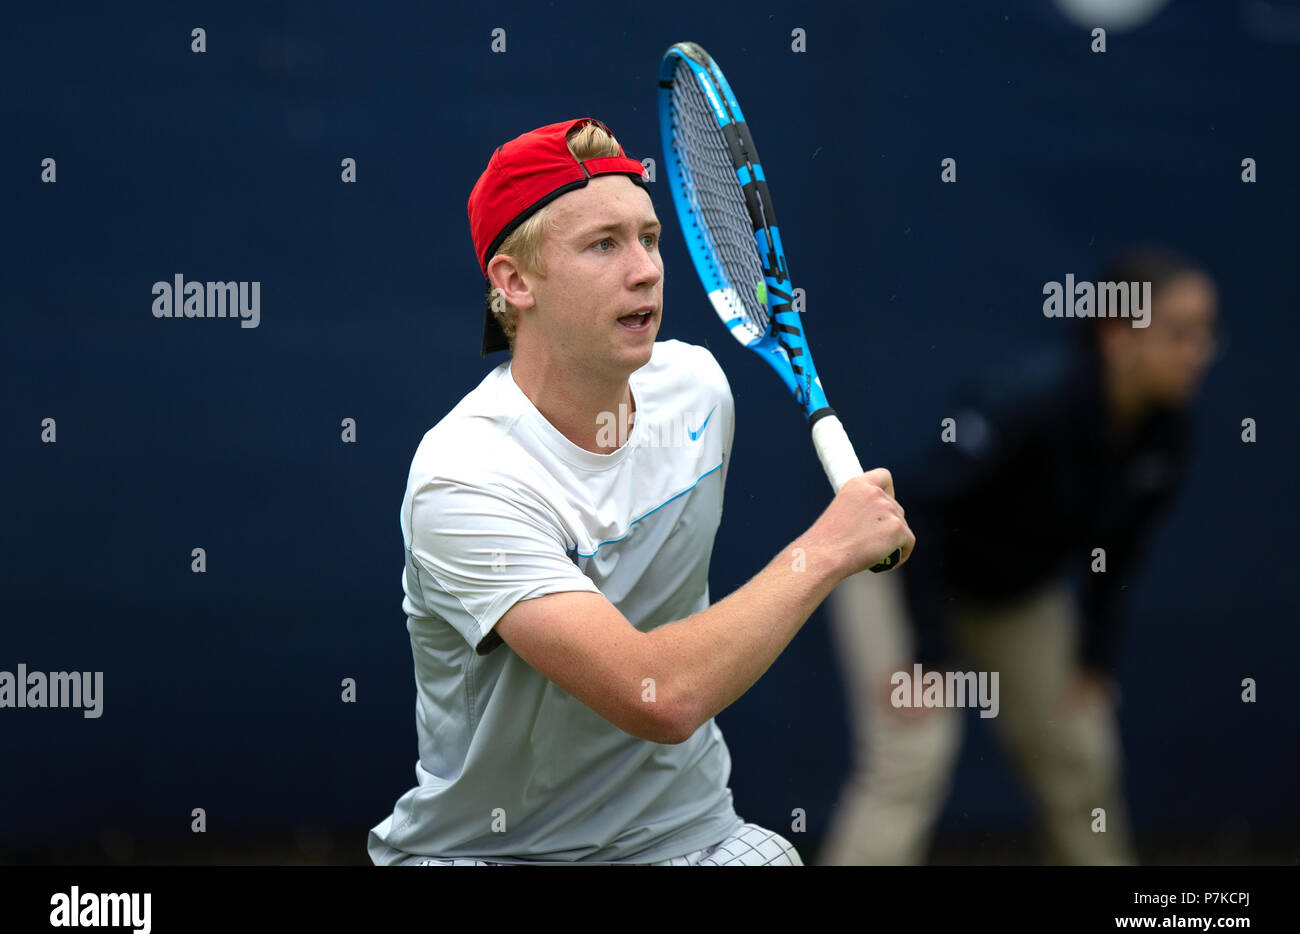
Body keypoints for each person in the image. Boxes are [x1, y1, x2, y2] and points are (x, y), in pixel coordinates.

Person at [366, 117, 915, 865]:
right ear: (513, 281)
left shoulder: (698, 393)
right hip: (489, 854)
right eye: (604, 244)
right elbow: (657, 696)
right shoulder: (464, 479)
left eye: (650, 238)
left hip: (688, 837)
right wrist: (824, 551)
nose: (646, 269)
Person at [819, 247, 1219, 865]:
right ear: (1118, 337)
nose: (1199, 352)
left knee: (1080, 753)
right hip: (898, 569)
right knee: (913, 758)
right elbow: (924, 511)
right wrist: (929, 656)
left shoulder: (1169, 431)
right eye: (1179, 333)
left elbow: (1121, 550)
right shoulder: (1031, 400)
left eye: (1205, 334)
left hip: (1015, 596)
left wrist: (1094, 659)